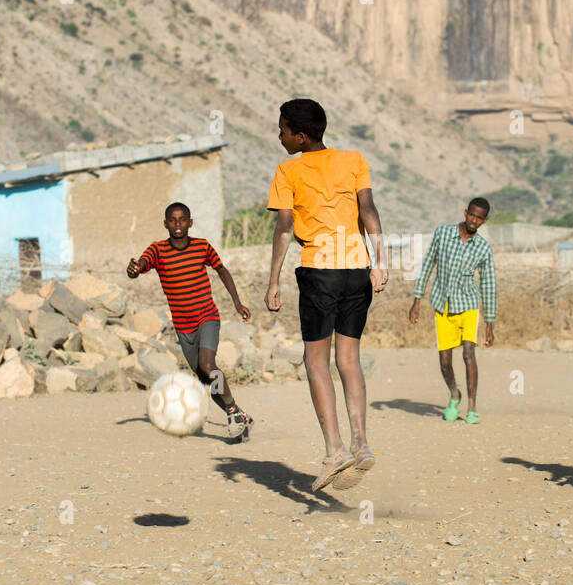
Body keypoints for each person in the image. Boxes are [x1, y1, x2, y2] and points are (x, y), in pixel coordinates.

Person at [265, 98, 387, 491]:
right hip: (356, 270)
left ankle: (335, 451)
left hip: (320, 271)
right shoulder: (354, 159)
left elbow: (285, 228)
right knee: (348, 358)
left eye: (282, 130)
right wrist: (380, 262)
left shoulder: (288, 170)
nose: (279, 136)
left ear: (300, 136)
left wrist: (273, 281)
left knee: (315, 361)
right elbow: (368, 208)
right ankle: (362, 444)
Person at [127, 202, 253, 438]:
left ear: (190, 222)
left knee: (208, 364)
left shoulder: (202, 246)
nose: (177, 225)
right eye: (172, 221)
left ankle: (233, 414)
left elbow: (222, 270)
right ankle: (238, 413)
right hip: (183, 327)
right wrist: (134, 268)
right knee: (207, 377)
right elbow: (141, 265)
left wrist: (237, 302)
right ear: (165, 224)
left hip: (207, 317)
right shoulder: (158, 250)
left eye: (182, 220)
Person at [408, 197, 497, 423]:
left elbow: (488, 284)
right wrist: (417, 298)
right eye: (471, 215)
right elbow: (428, 263)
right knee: (445, 361)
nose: (474, 221)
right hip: (443, 304)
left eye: (479, 218)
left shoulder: (483, 249)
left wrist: (490, 323)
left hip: (468, 305)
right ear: (466, 212)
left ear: (484, 220)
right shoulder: (443, 234)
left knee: (469, 354)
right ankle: (454, 394)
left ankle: (472, 407)